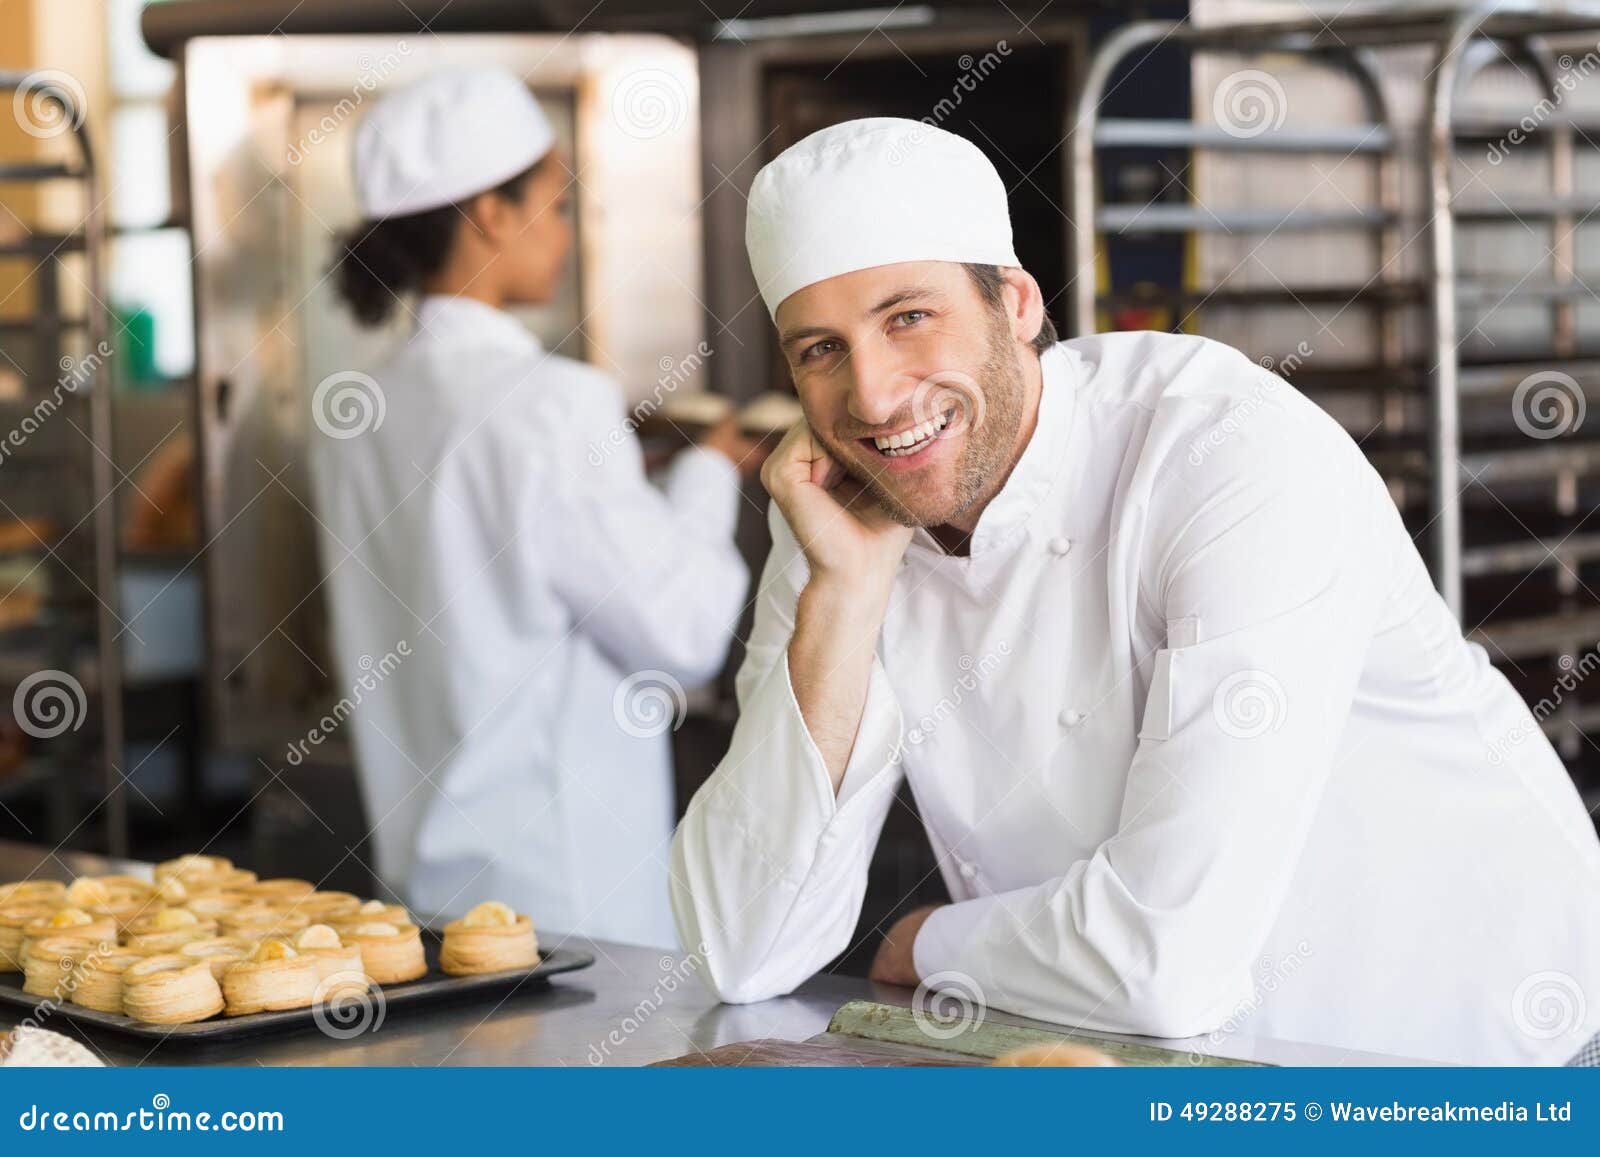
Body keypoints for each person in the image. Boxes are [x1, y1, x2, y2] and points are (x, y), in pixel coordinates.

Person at [668, 117, 1600, 1063]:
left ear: (1018, 303)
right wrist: (844, 597)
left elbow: (1168, 959)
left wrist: (925, 945)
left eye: (908, 317)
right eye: (819, 349)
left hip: (1493, 1035)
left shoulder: (1226, 453)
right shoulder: (839, 515)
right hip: (1184, 1061)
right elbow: (743, 950)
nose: (871, 397)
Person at [312, 68, 758, 947]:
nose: (563, 233)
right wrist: (708, 478)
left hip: (421, 898)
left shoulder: (354, 412)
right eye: (553, 208)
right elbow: (686, 627)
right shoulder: (549, 402)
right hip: (563, 906)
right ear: (490, 212)